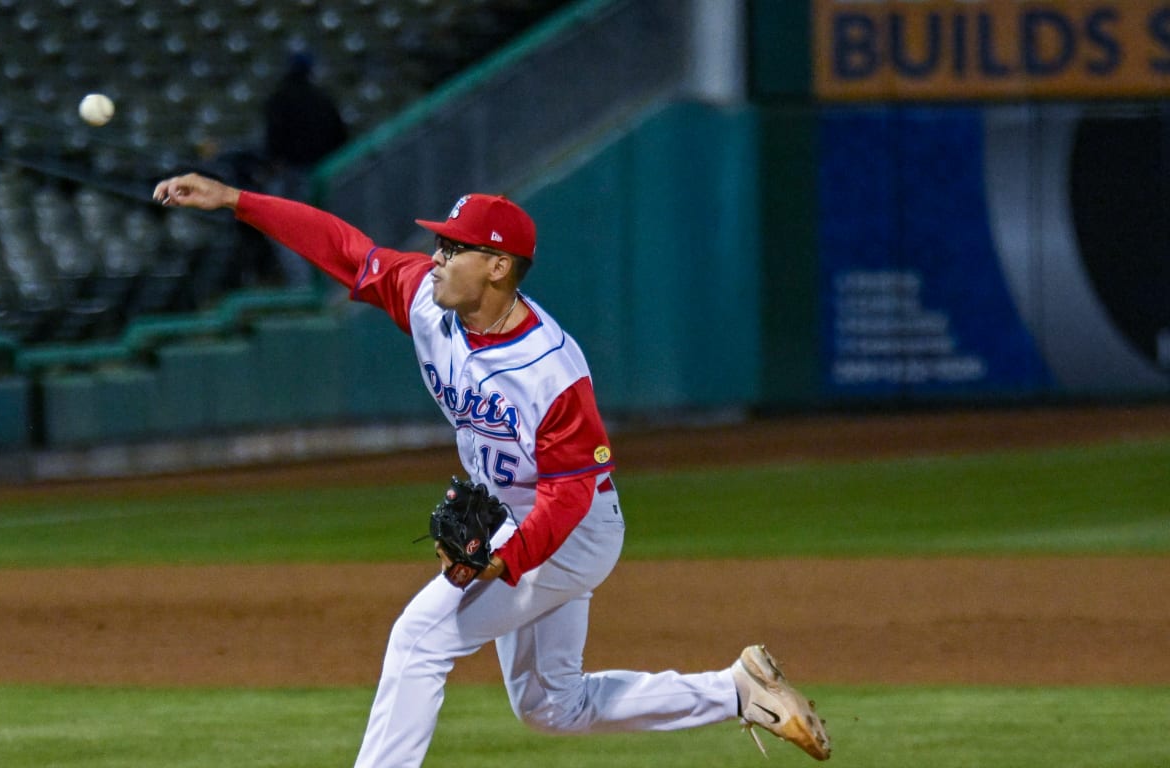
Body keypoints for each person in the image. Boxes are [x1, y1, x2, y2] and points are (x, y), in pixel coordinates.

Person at [151, 173, 833, 766]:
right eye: (439, 244)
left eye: (453, 248)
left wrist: (502, 562)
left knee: (419, 639)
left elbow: (566, 499)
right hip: (517, 520)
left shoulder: (551, 370)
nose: (436, 257)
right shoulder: (426, 301)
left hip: (570, 532)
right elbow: (344, 249)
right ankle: (735, 691)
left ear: (498, 267)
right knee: (550, 706)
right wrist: (236, 200)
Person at [260, 51, 348, 287]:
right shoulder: (322, 99)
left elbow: (273, 142)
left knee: (286, 229)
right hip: (322, 175)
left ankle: (304, 284)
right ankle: (326, 281)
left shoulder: (279, 98)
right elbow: (341, 138)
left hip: (293, 175)